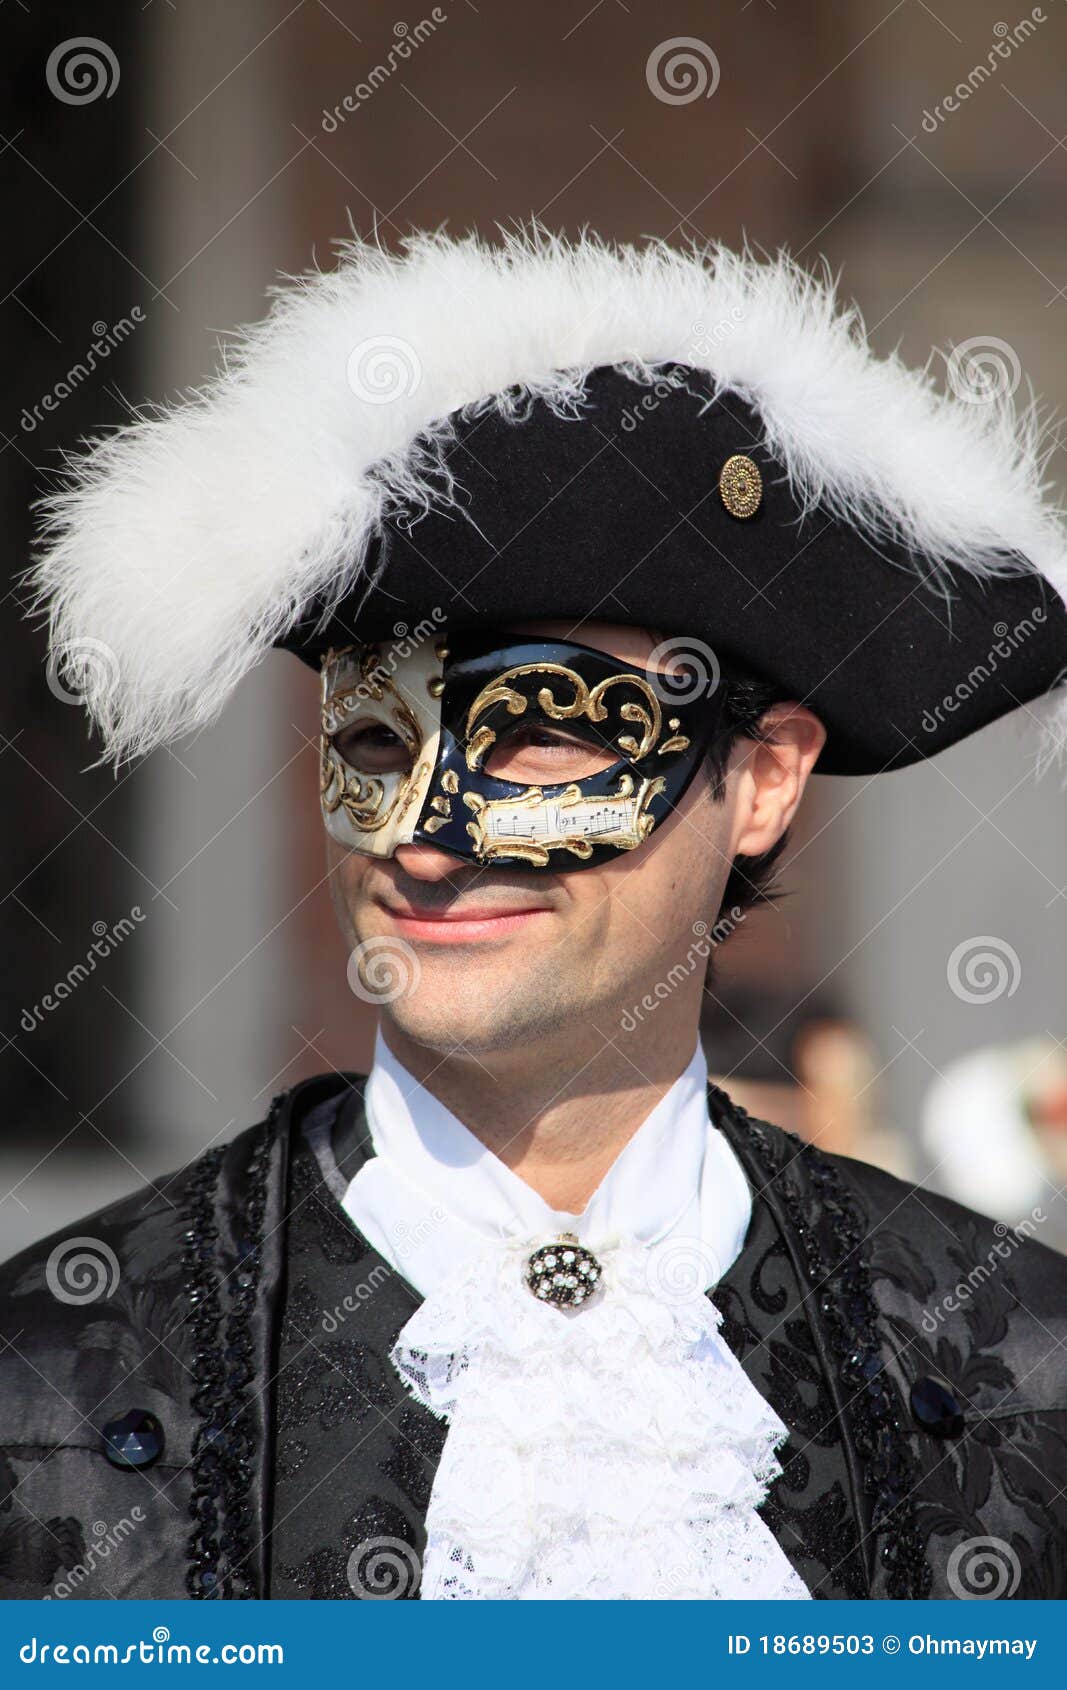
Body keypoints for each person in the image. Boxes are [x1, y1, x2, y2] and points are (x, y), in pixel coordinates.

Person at [3, 226, 1067, 1601]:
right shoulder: (49, 1386)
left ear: (760, 779)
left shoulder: (1016, 1370)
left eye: (540, 738)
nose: (425, 845)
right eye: (378, 746)